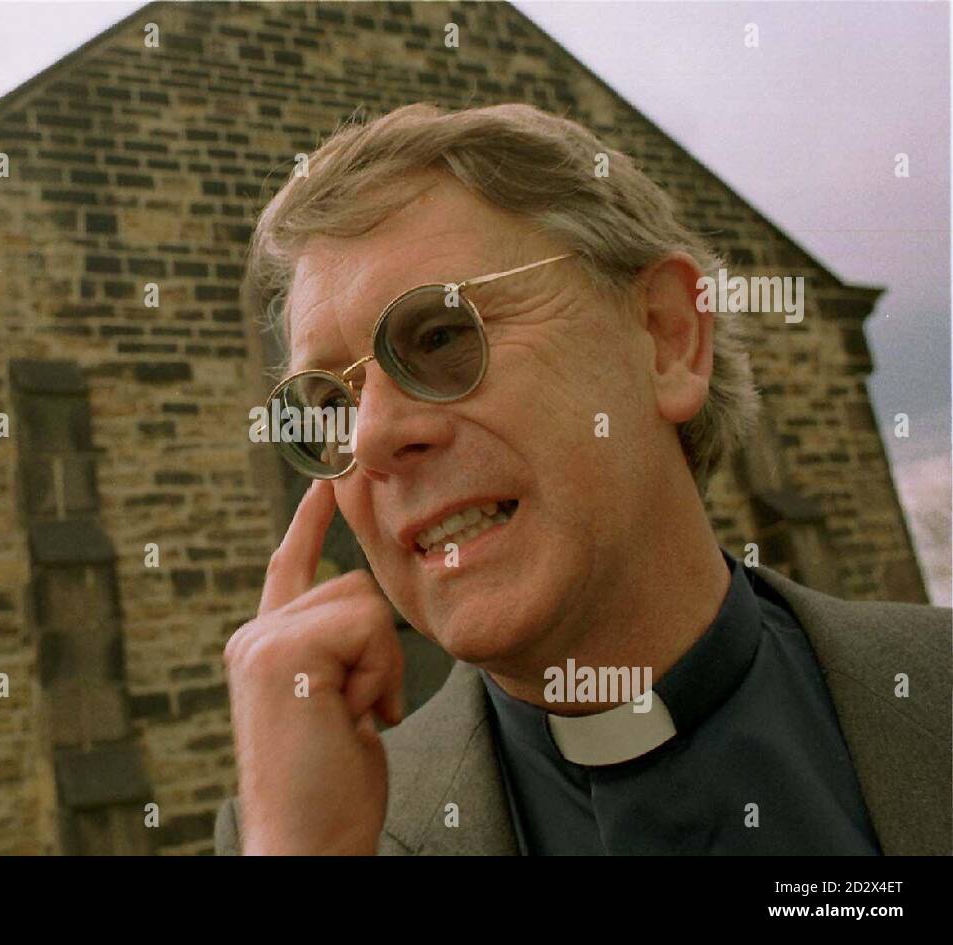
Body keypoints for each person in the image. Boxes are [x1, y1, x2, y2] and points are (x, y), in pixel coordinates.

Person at [216, 103, 951, 855]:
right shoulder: (304, 834)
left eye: (440, 336)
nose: (369, 437)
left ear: (667, 337)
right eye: (332, 403)